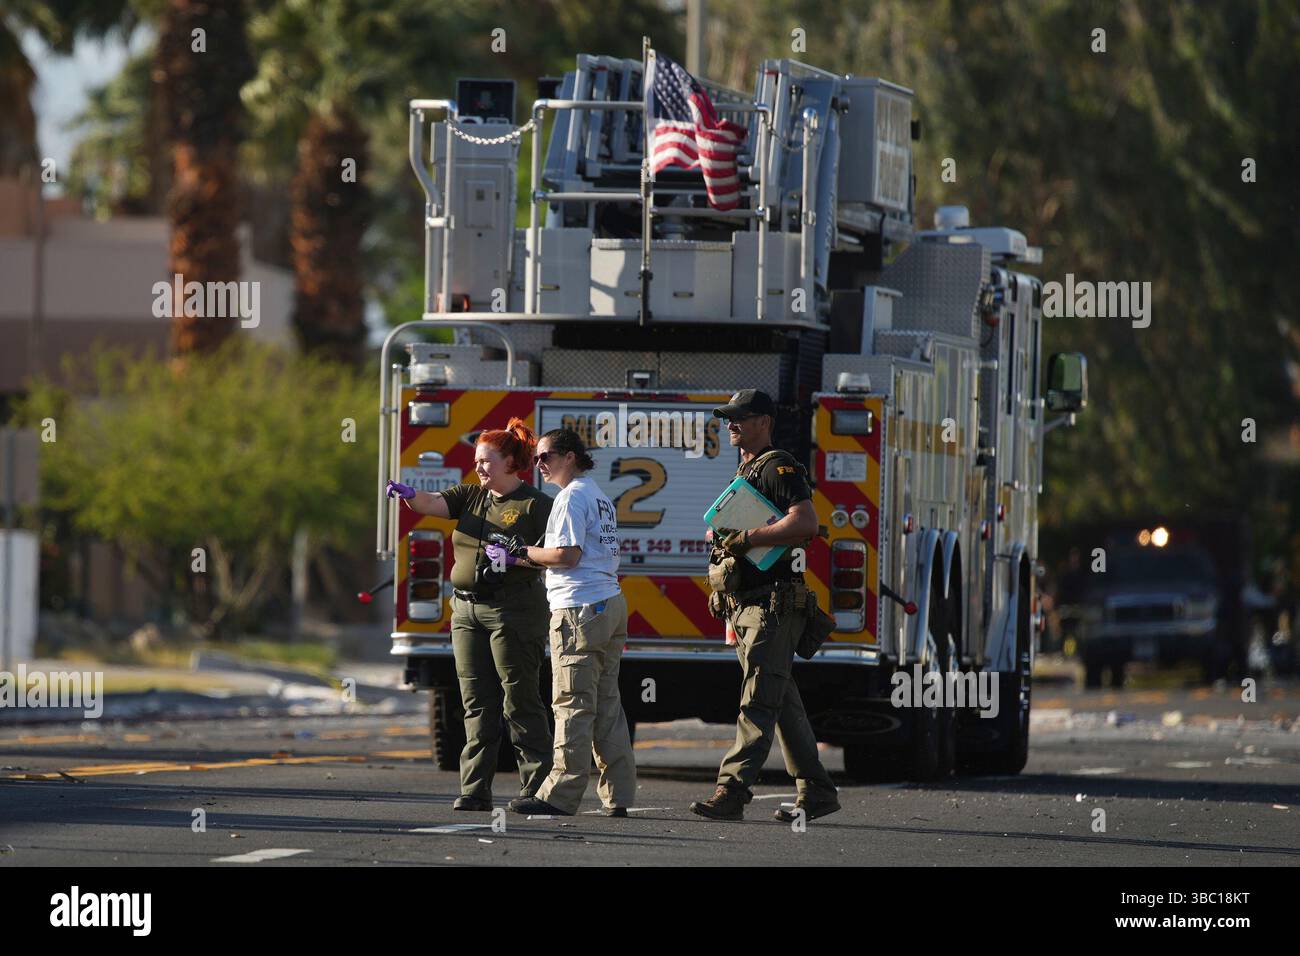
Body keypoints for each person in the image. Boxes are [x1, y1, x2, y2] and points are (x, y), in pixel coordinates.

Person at [385, 418, 553, 811]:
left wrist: (516, 558)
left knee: (520, 699)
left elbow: (557, 557)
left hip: (513, 610)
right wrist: (411, 495)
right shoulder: (471, 496)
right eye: (476, 460)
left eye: (486, 461)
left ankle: (538, 787)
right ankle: (475, 790)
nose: (478, 467)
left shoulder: (536, 505)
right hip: (465, 610)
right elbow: (432, 502)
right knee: (476, 701)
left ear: (511, 462)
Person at [689, 389, 840, 822]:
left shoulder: (778, 465)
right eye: (729, 418)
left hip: (772, 606)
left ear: (765, 422)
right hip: (748, 605)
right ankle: (817, 792)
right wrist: (724, 536)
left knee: (757, 700)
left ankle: (732, 791)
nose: (732, 424)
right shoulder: (748, 467)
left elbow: (805, 522)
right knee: (782, 701)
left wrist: (749, 537)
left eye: (741, 417)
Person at [501, 428, 637, 817]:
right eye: (538, 458)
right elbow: (578, 554)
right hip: (608, 603)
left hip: (578, 609)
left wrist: (524, 550)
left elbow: (567, 556)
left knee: (572, 703)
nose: (538, 464)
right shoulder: (597, 495)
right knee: (607, 704)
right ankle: (619, 794)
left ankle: (559, 794)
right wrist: (519, 559)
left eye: (546, 456)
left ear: (571, 456)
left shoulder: (570, 497)